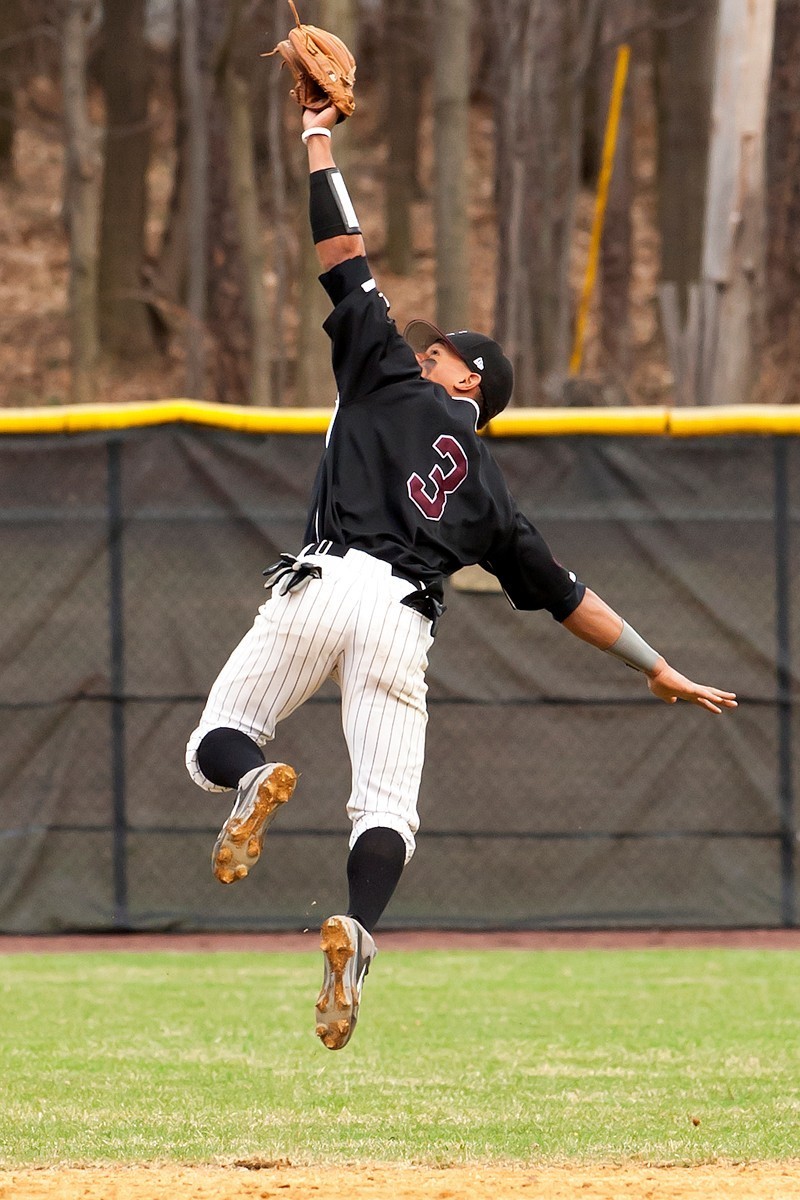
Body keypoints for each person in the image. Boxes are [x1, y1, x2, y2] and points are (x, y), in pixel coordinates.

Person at [185, 104, 737, 1052]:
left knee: (215, 742)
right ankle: (358, 928)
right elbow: (570, 598)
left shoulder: (386, 378)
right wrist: (657, 666)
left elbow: (341, 252)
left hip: (322, 582)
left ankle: (254, 779)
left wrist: (318, 140)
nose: (422, 349)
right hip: (403, 619)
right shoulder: (491, 495)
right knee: (387, 810)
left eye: (438, 351)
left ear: (467, 381)